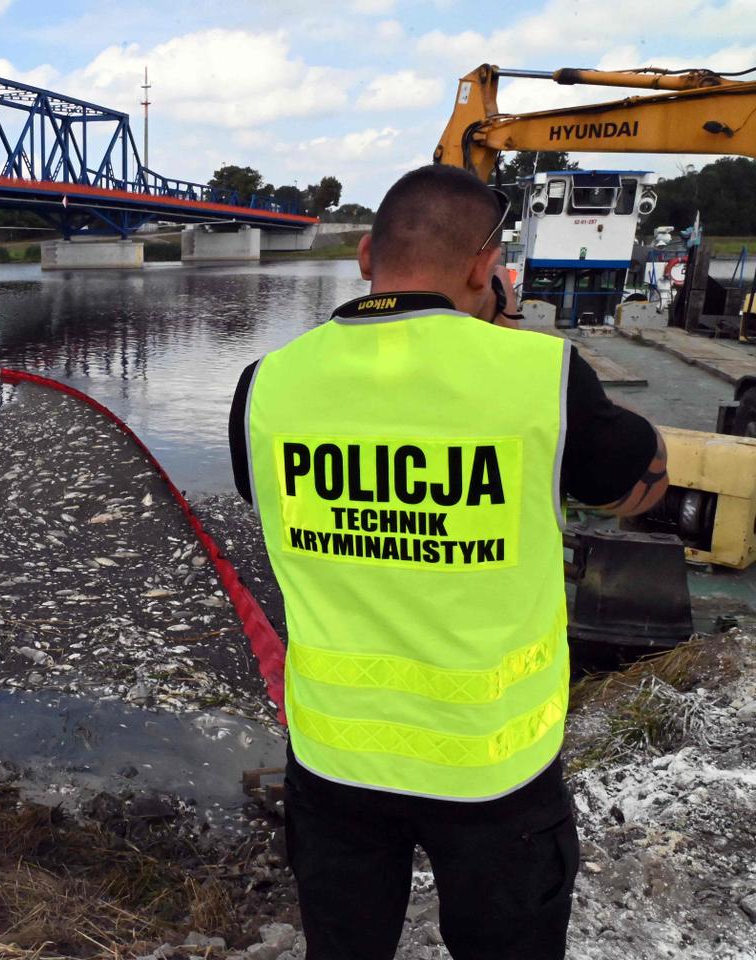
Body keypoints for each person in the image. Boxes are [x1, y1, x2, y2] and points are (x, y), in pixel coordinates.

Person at [227, 164, 668, 960]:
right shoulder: (540, 377)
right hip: (493, 771)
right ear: (483, 268)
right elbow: (640, 490)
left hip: (336, 763)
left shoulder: (267, 386)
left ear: (365, 255)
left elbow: (277, 508)